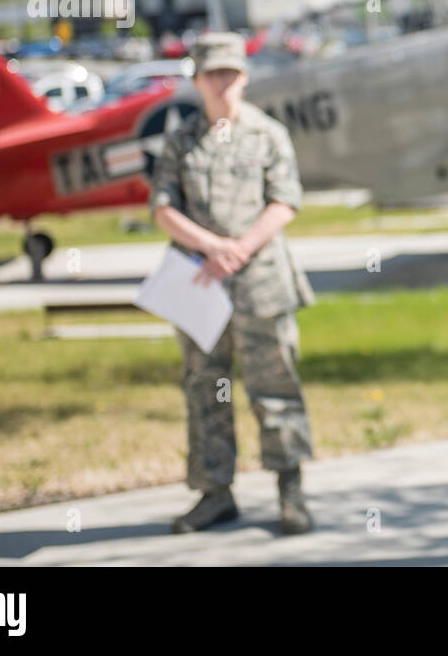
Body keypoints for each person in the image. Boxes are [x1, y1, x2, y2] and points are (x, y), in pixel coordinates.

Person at [149, 31, 318, 535]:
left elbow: (285, 200)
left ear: (244, 78)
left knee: (276, 386)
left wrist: (240, 248)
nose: (222, 83)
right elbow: (161, 207)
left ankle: (291, 490)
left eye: (231, 73)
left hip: (261, 281)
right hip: (200, 281)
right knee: (207, 388)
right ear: (197, 81)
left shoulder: (267, 134)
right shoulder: (180, 142)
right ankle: (214, 493)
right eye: (212, 75)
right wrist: (210, 246)